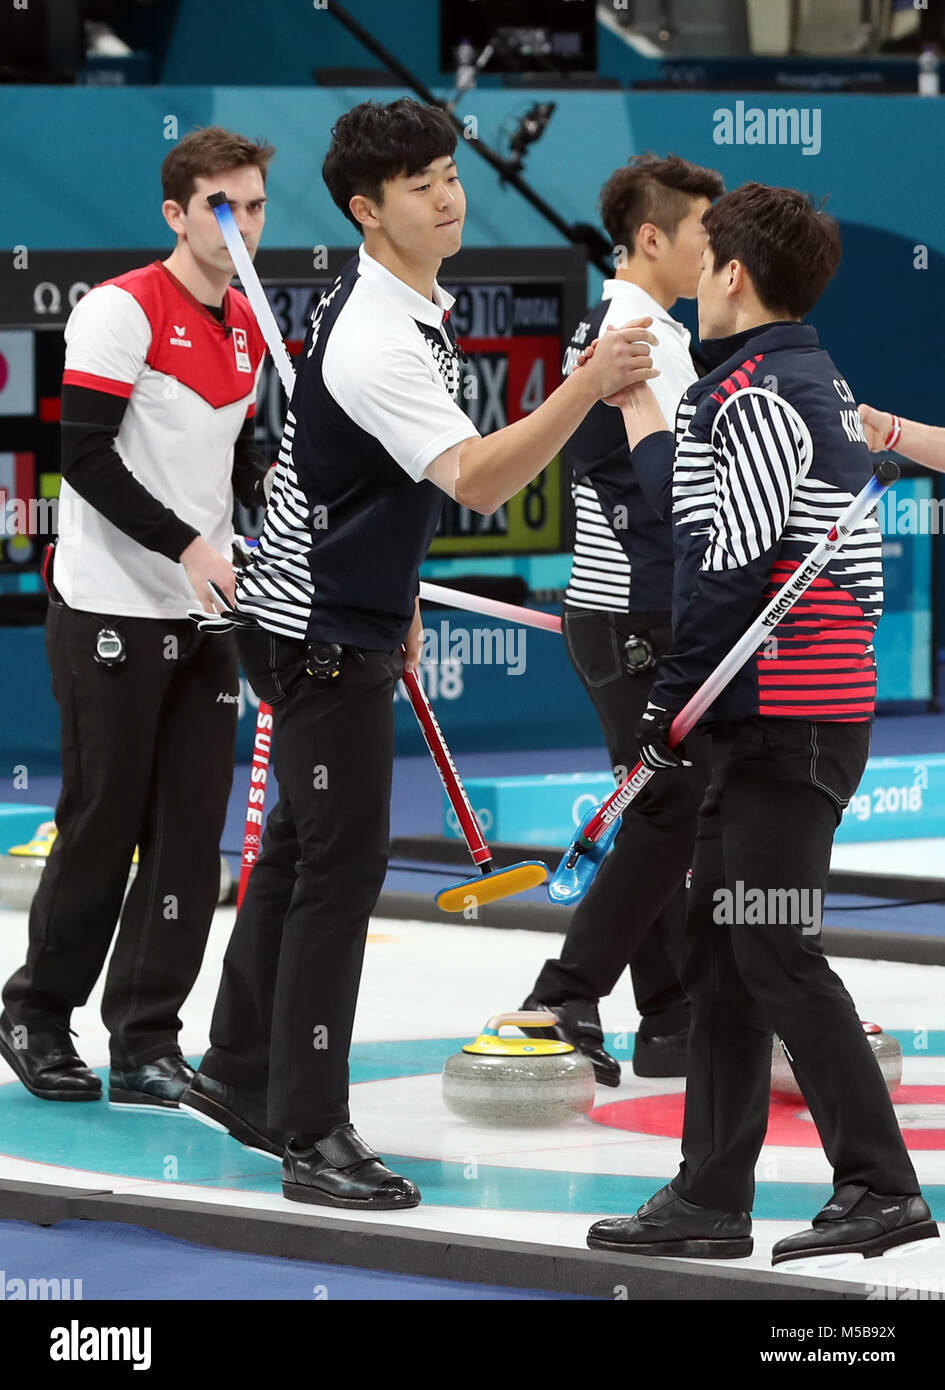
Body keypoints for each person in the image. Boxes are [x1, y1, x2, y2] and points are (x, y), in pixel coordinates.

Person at [178, 97, 658, 1211]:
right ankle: (311, 1131)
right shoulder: (380, 333)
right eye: (422, 183)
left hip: (331, 614)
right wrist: (585, 380)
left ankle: (241, 1070)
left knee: (300, 855)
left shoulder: (405, 303)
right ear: (365, 208)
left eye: (451, 173)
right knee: (340, 872)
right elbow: (478, 479)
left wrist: (390, 594)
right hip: (314, 637)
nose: (451, 196)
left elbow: (358, 484)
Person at [584, 183, 939, 1265]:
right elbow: (695, 524)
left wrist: (664, 707)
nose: (692, 265)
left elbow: (721, 570)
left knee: (772, 944)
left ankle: (880, 1184)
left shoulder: (762, 394)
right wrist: (641, 416)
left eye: (706, 252)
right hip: (780, 716)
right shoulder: (795, 382)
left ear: (733, 274)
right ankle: (708, 1196)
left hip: (786, 720)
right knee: (724, 950)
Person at [0, 127, 273, 1110]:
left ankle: (146, 1036)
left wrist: (260, 499)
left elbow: (231, 453)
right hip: (111, 606)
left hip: (204, 619)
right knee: (101, 819)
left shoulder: (248, 319)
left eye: (254, 205)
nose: (241, 224)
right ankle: (35, 1012)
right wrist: (191, 547)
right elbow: (88, 456)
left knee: (190, 835)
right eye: (220, 206)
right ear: (177, 213)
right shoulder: (120, 311)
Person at [519, 154, 724, 1086]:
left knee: (658, 808)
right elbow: (641, 490)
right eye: (701, 233)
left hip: (624, 615)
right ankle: (561, 995)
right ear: (652, 238)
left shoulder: (642, 327)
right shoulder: (635, 328)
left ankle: (671, 1015)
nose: (715, 250)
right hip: (631, 616)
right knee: (671, 806)